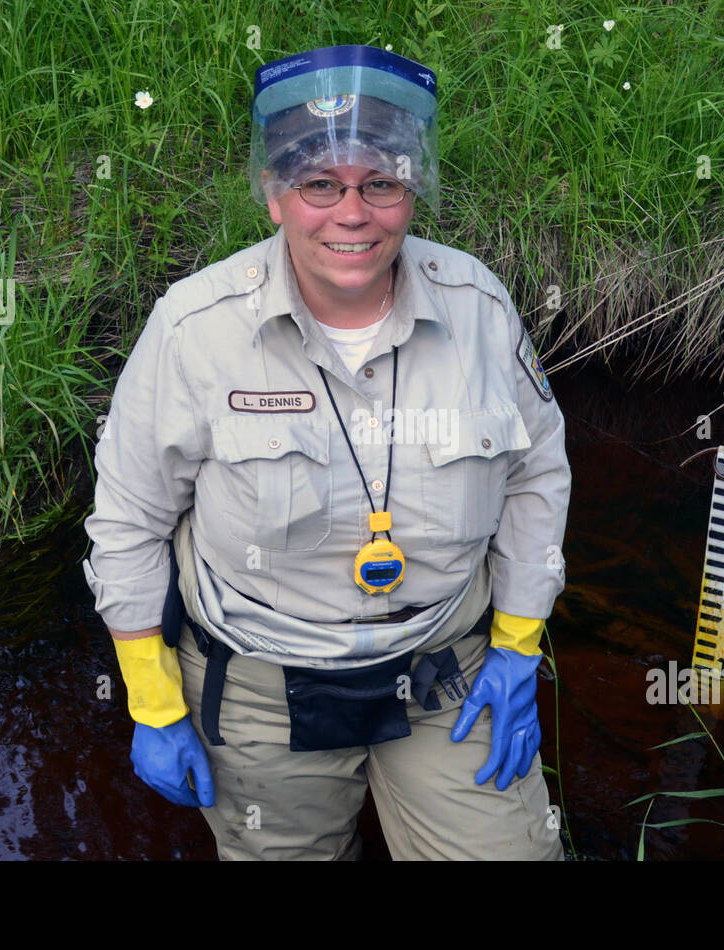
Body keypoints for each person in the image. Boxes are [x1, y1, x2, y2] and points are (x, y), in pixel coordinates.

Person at [82, 44, 571, 860]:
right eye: (319, 185)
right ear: (275, 196)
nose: (353, 213)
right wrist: (154, 704)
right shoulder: (192, 329)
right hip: (260, 700)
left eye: (379, 183)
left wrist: (520, 646)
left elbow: (535, 478)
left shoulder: (479, 304)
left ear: (411, 191)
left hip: (450, 681)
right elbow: (129, 520)